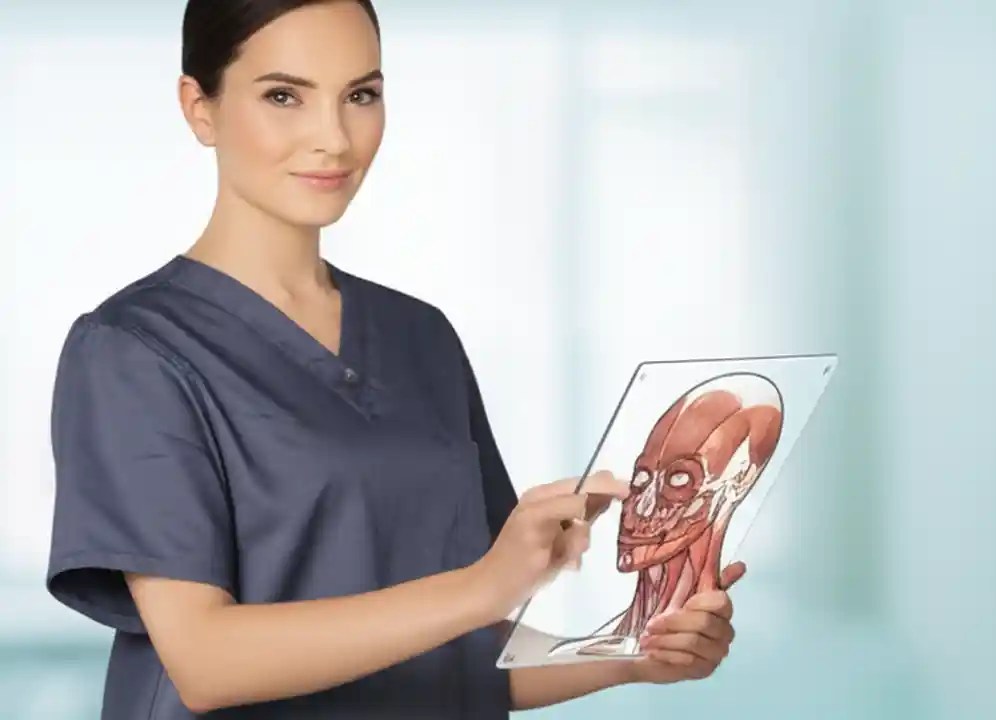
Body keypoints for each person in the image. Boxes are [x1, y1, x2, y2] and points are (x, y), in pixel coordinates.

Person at [44, 1, 743, 717]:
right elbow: (203, 660)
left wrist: (634, 653)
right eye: (284, 96)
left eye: (361, 95)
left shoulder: (421, 337)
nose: (334, 138)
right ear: (200, 107)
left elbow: (467, 655)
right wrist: (484, 586)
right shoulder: (134, 351)